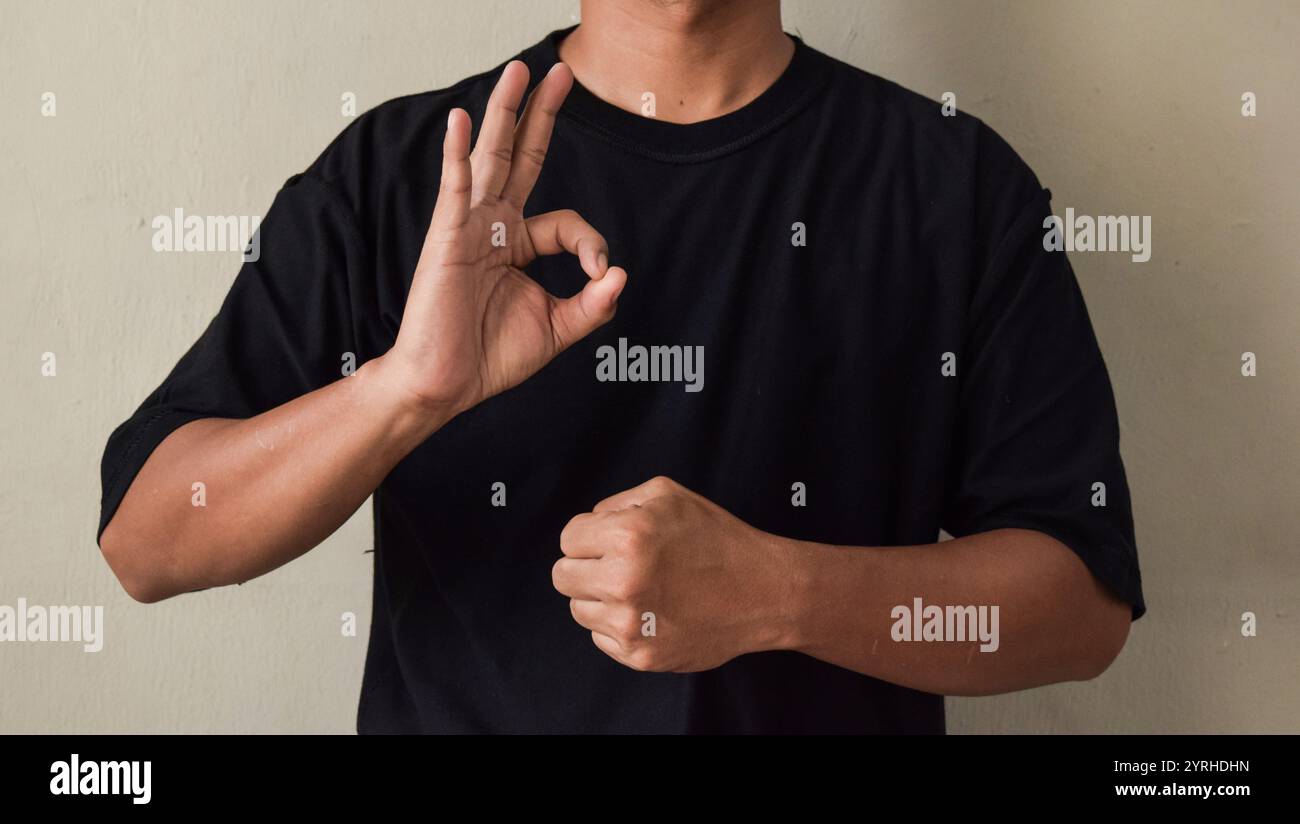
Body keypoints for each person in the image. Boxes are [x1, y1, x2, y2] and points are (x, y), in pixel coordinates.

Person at [97, 0, 1144, 733]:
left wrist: (783, 591)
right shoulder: (414, 174)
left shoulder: (954, 187)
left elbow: (1080, 604)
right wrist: (402, 389)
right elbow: (148, 539)